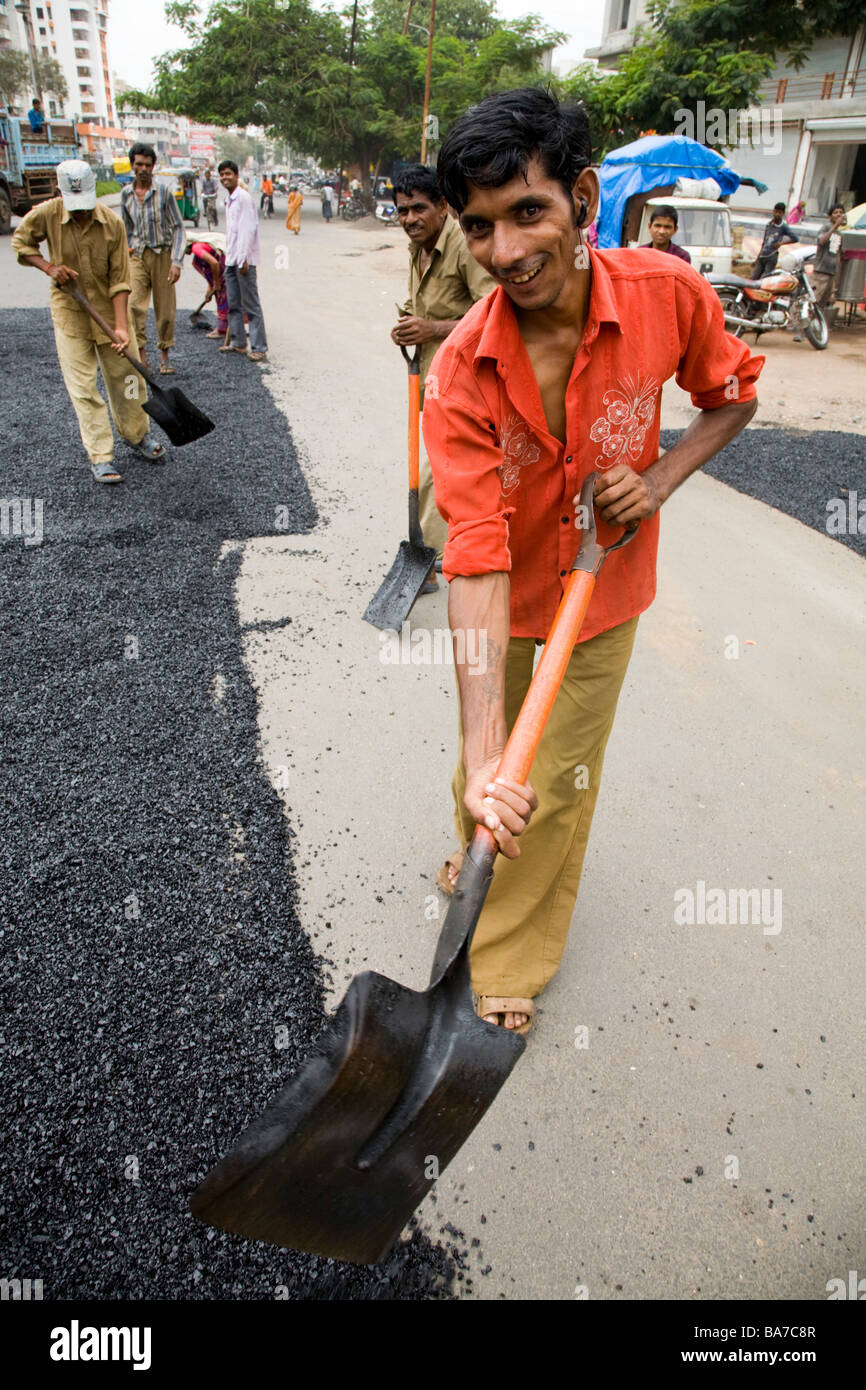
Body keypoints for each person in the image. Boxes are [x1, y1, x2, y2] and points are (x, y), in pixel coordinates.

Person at [423, 88, 763, 1035]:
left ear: (579, 197)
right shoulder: (460, 370)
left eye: (528, 213)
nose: (506, 252)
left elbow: (732, 397)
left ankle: (505, 959)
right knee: (487, 766)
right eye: (481, 226)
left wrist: (656, 482)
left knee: (554, 781)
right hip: (505, 595)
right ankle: (475, 831)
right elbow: (476, 556)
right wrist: (485, 745)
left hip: (602, 593)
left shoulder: (667, 294)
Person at [12, 158, 165, 483]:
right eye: (74, 206)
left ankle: (137, 435)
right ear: (60, 192)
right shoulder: (47, 214)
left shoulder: (112, 224)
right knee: (83, 388)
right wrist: (49, 267)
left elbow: (121, 280)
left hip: (109, 313)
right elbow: (21, 243)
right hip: (70, 313)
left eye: (85, 205)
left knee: (127, 380)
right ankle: (101, 456)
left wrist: (122, 326)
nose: (81, 213)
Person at [390, 163, 496, 586]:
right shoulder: (417, 248)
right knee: (445, 466)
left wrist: (432, 328)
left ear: (443, 206)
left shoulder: (464, 248)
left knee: (435, 469)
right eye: (402, 211)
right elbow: (425, 305)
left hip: (467, 378)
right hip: (431, 373)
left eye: (418, 208)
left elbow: (494, 311)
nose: (410, 219)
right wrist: (409, 325)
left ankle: (428, 560)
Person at [119, 142, 185, 375]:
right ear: (132, 166)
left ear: (153, 166)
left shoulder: (164, 193)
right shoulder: (125, 194)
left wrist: (176, 262)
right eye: (139, 164)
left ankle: (165, 355)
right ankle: (142, 355)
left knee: (165, 310)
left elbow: (178, 227)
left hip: (163, 255)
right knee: (134, 305)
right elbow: (126, 231)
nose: (144, 169)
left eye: (148, 165)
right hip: (137, 255)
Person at [218, 159, 268, 362]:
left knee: (251, 305)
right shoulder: (229, 201)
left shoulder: (243, 198)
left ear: (236, 176)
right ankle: (239, 342)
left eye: (228, 174)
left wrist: (245, 258)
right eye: (221, 175)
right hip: (231, 259)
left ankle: (259, 347)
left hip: (243, 261)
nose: (224, 178)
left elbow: (248, 229)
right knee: (234, 303)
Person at [186, 237, 228, 338]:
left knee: (222, 298)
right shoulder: (200, 247)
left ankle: (222, 330)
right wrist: (209, 289)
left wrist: (217, 284)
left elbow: (214, 263)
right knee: (223, 297)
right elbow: (210, 269)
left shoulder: (197, 248)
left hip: (224, 266)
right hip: (222, 268)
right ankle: (230, 328)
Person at [812, 203, 847, 308]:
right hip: (821, 271)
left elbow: (838, 255)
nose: (839, 214)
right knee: (814, 300)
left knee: (823, 303)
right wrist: (835, 226)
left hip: (832, 273)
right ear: (829, 216)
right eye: (836, 212)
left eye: (841, 212)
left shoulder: (840, 234)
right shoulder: (825, 228)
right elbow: (822, 241)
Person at [752, 202, 798, 279]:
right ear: (773, 211)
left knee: (766, 278)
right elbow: (764, 241)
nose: (777, 214)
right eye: (776, 212)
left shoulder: (783, 227)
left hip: (771, 256)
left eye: (779, 212)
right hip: (763, 255)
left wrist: (781, 243)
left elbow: (795, 238)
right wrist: (758, 257)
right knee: (754, 277)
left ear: (783, 213)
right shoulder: (769, 224)